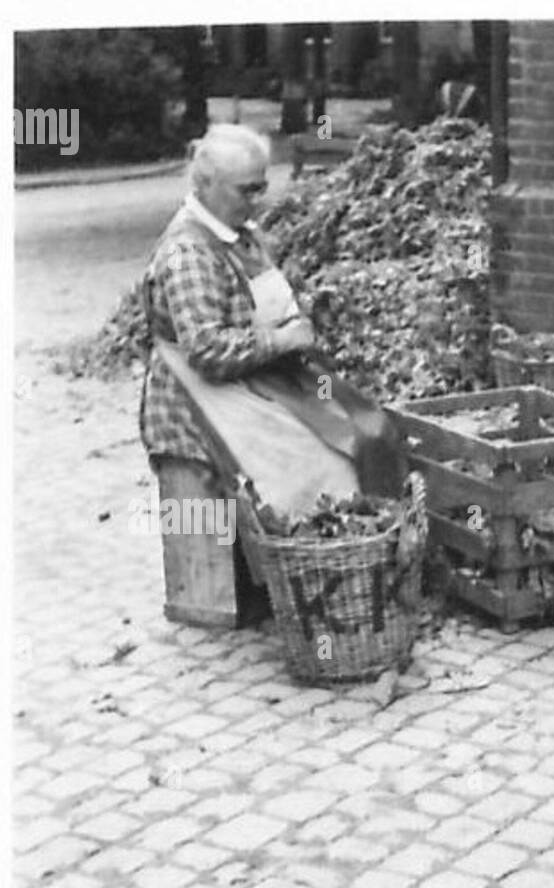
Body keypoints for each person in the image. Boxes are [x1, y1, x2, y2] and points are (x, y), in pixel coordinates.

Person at [140, 124, 315, 626]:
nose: (258, 201)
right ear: (205, 185)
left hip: (244, 393)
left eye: (262, 187)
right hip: (194, 410)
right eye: (247, 190)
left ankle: (283, 574)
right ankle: (220, 604)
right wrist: (282, 340)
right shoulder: (189, 252)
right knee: (212, 580)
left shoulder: (240, 236)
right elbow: (209, 348)